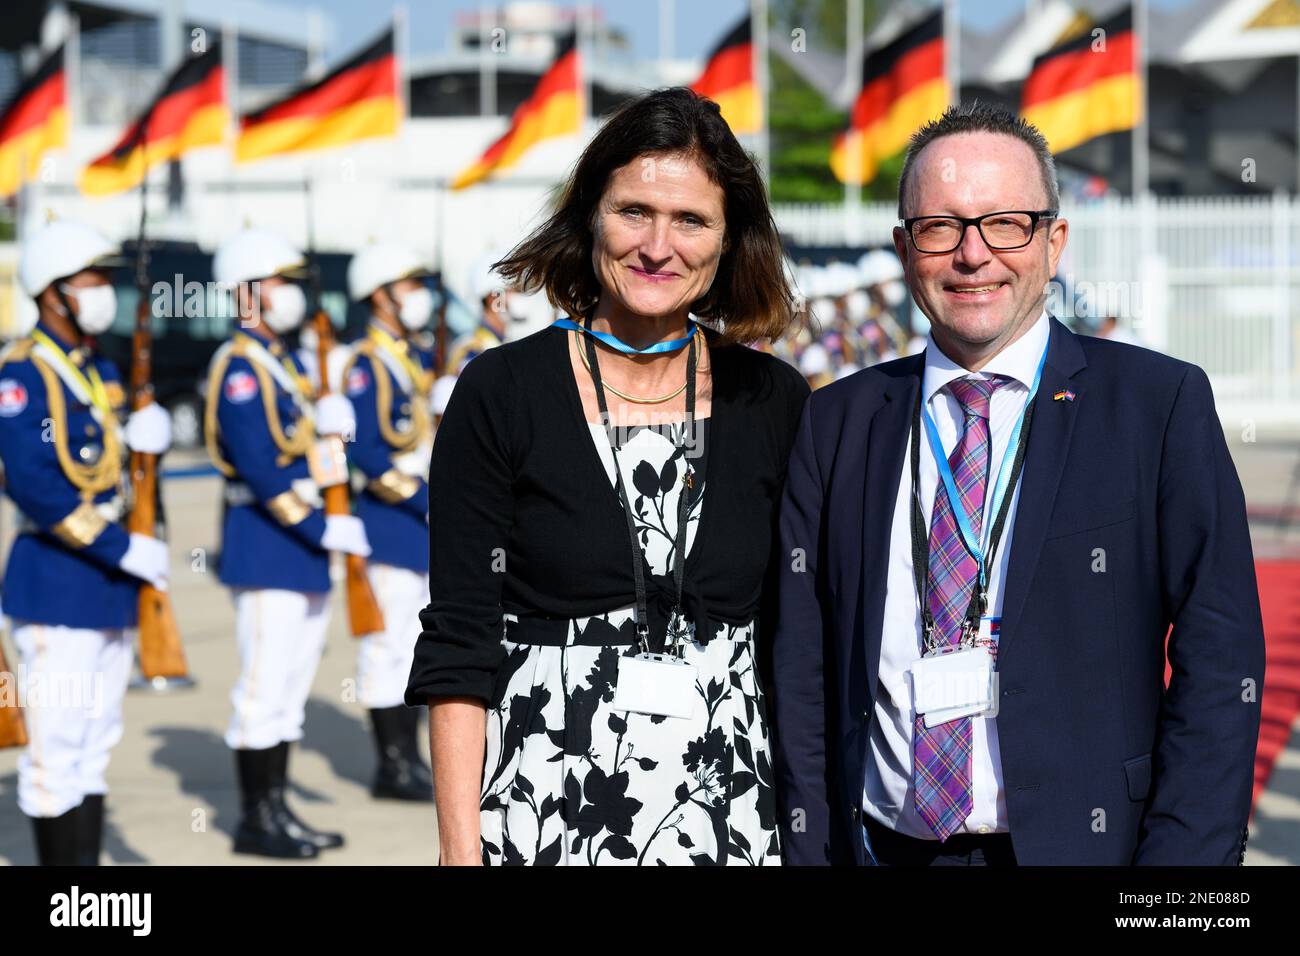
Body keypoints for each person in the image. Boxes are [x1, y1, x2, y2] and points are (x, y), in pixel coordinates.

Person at [772, 103, 1265, 866]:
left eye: (1007, 223)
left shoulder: (1155, 406)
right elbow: (802, 665)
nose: (975, 254)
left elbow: (1220, 659)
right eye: (942, 226)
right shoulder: (838, 421)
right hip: (880, 847)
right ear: (905, 247)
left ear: (1054, 241)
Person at [406, 87, 809, 866]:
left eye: (691, 220)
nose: (659, 246)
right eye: (634, 211)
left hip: (730, 818)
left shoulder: (774, 400)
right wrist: (460, 854)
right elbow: (460, 638)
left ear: (730, 241)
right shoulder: (501, 392)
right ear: (590, 213)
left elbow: (800, 640)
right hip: (544, 811)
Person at [0, 219, 172, 865]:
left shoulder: (97, 367)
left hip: (107, 590)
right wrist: (119, 548)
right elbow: (35, 485)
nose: (104, 292)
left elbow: (113, 471)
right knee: (55, 750)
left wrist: (141, 443)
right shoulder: (22, 375)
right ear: (53, 293)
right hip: (58, 586)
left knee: (96, 745)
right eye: (91, 280)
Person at [205, 227, 371, 859]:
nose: (290, 294)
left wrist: (338, 443)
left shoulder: (285, 362)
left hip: (300, 549)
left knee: (290, 689)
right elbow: (260, 467)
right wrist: (319, 524)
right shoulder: (240, 367)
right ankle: (256, 819)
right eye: (278, 282)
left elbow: (304, 454)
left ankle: (277, 808)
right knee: (261, 689)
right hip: (267, 544)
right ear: (247, 294)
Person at [340, 241, 436, 801]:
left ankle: (411, 758)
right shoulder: (365, 365)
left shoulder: (413, 354)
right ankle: (393, 764)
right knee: (388, 645)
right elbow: (368, 455)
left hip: (421, 522)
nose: (418, 296)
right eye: (407, 285)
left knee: (415, 641)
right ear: (380, 295)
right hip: (392, 521)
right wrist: (425, 499)